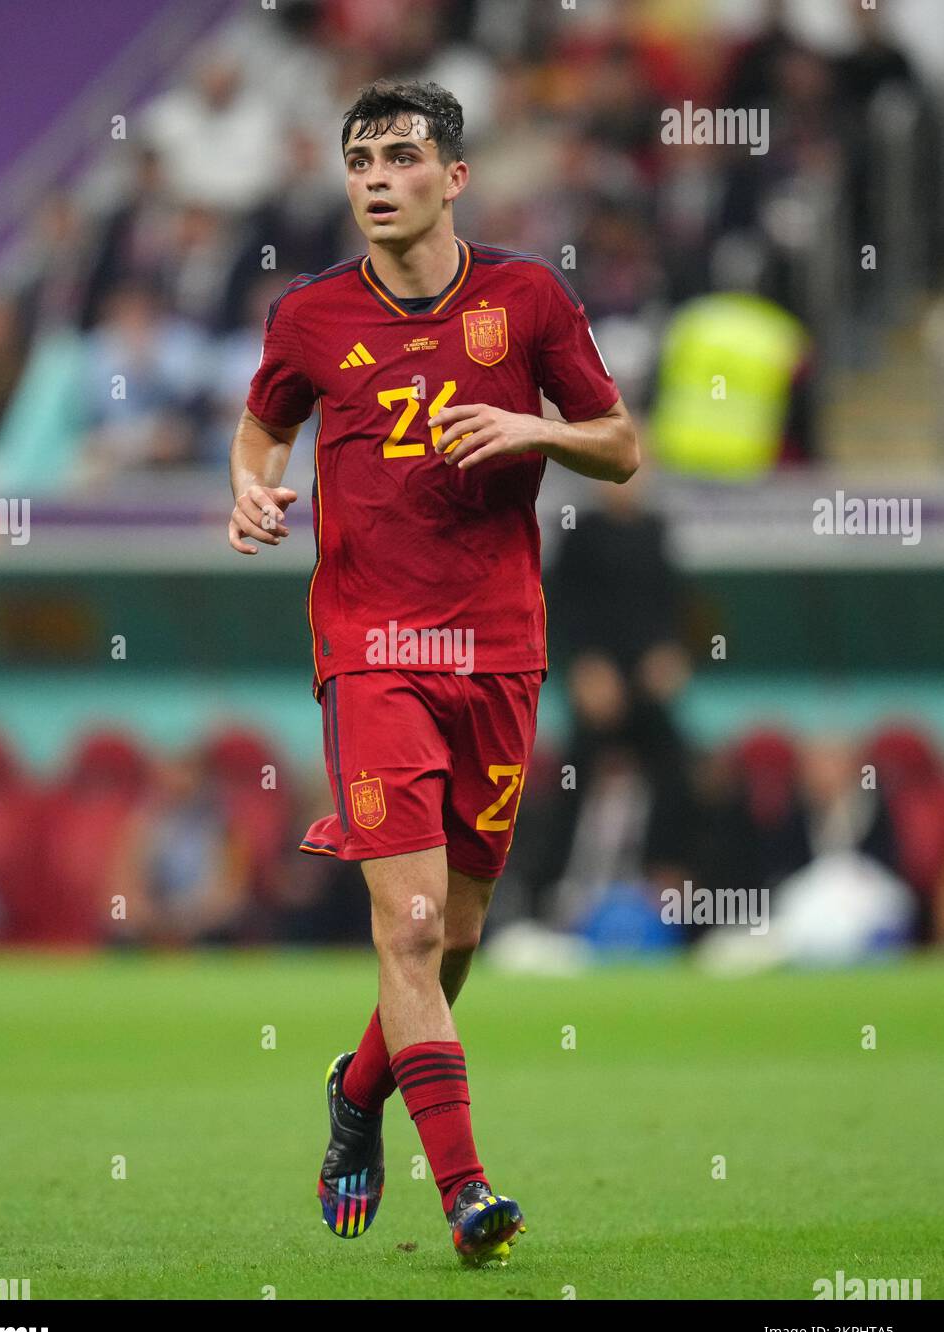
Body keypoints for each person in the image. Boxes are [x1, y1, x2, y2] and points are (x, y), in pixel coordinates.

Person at [227, 79, 639, 1266]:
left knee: (456, 933)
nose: (373, 174)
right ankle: (465, 1190)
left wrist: (539, 431)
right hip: (372, 653)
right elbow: (265, 425)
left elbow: (620, 445)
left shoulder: (527, 299)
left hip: (499, 653)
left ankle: (359, 1090)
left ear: (452, 178)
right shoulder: (307, 316)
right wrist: (249, 483)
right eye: (358, 155)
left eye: (400, 154)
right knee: (404, 921)